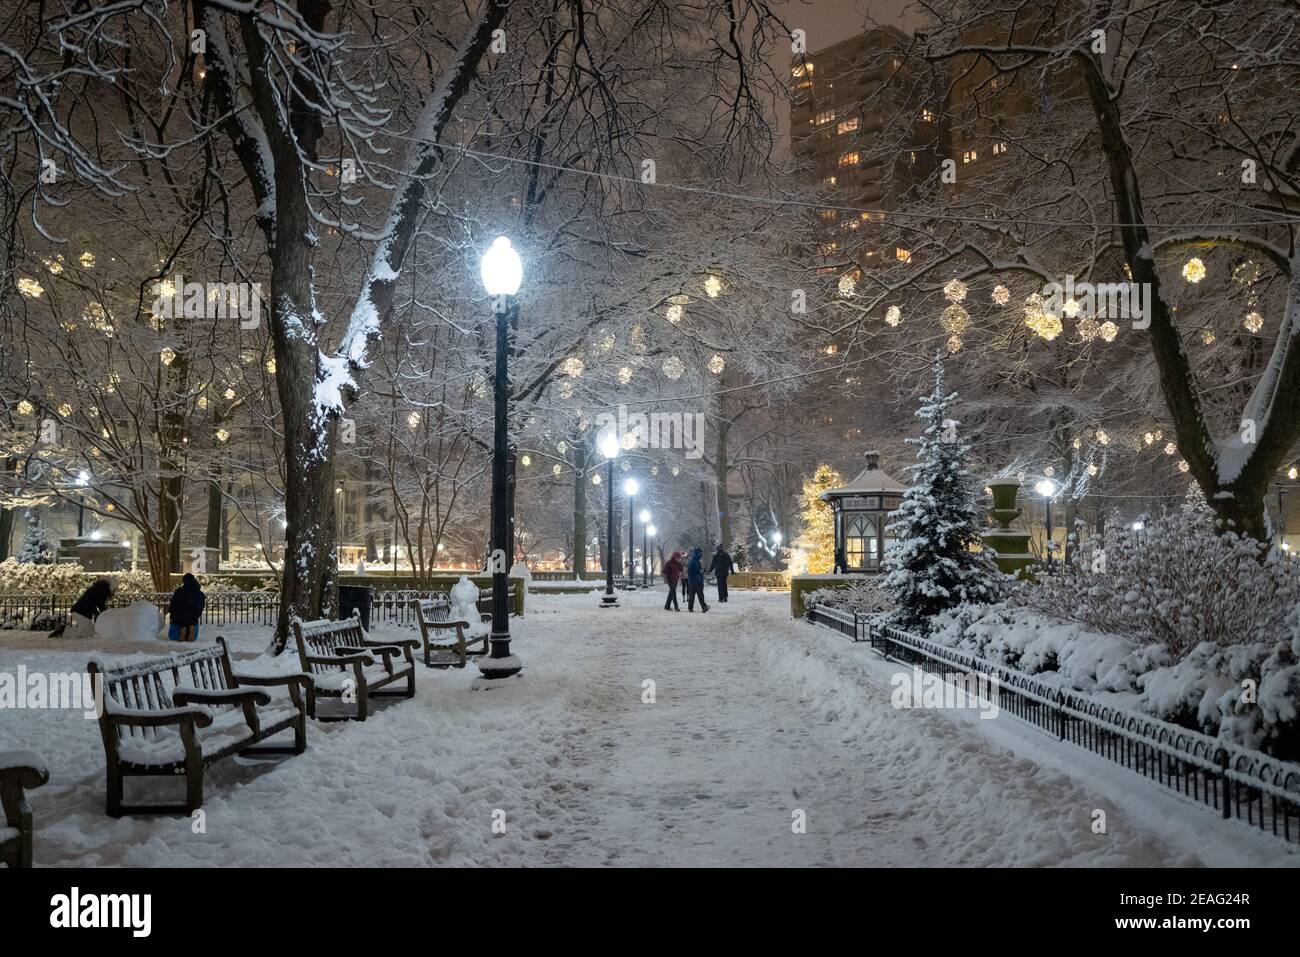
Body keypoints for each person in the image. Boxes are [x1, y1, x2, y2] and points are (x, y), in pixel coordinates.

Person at [168, 573, 206, 642]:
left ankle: (180, 634)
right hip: (192, 619)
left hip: (178, 619)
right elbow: (200, 608)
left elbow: (173, 606)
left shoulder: (178, 592)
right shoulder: (200, 594)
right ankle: (191, 630)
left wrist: (172, 617)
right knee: (193, 628)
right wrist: (195, 617)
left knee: (172, 635)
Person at [686, 547, 709, 613]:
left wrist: (701, 571)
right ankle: (691, 608)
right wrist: (699, 571)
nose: (701, 555)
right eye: (700, 554)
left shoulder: (697, 561)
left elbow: (697, 570)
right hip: (694, 581)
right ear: (697, 554)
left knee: (700, 594)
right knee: (693, 595)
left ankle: (703, 607)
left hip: (698, 581)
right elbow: (690, 572)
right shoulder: (692, 561)